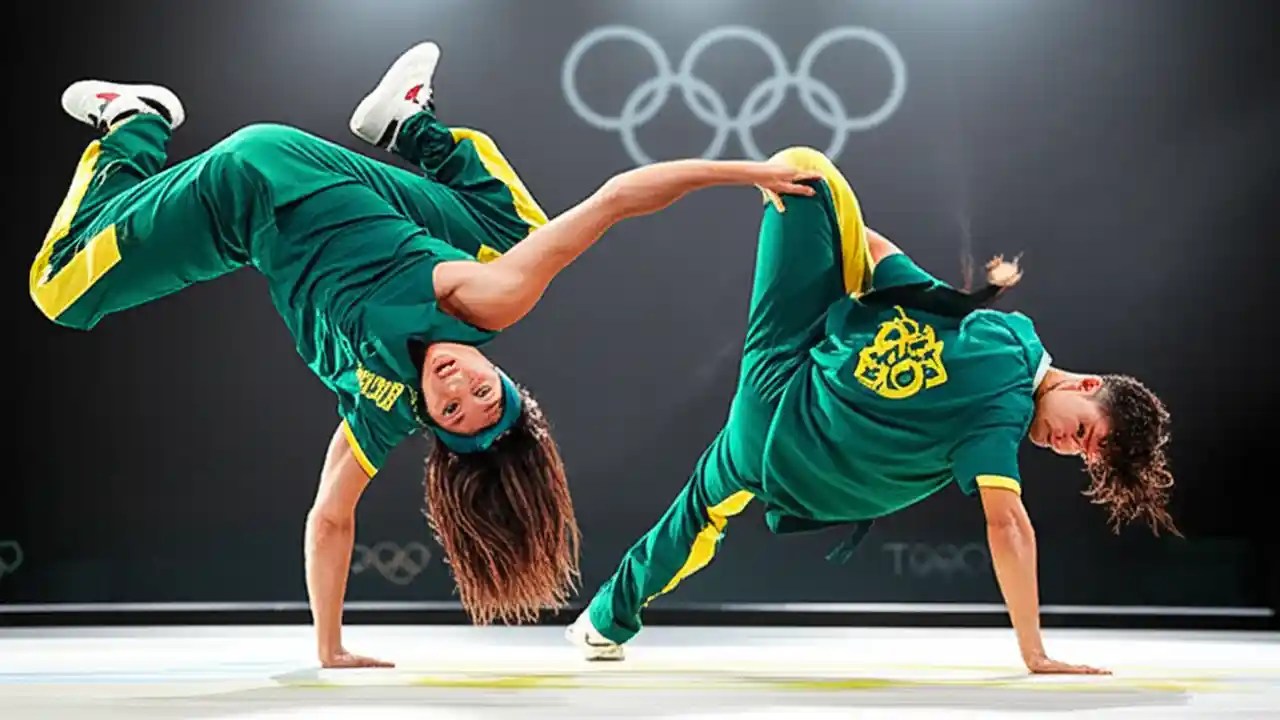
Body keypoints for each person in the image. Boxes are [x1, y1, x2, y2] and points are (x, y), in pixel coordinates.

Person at [30, 41, 823, 669]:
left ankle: (338, 126)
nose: (461, 383)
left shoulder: (378, 415)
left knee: (60, 292)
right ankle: (180, 123)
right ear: (510, 381)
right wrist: (747, 172)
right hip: (287, 181)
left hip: (251, 198)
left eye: (452, 409)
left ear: (430, 424)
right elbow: (616, 199)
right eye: (488, 392)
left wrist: (328, 644)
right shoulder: (485, 302)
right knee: (524, 242)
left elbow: (331, 517)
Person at [565, 147, 1176, 675]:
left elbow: (1008, 522)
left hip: (784, 391)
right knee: (699, 510)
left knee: (805, 173)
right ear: (1088, 384)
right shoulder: (1003, 364)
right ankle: (601, 622)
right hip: (792, 390)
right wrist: (1033, 652)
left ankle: (603, 622)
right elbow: (1008, 528)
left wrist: (843, 247)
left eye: (1086, 456)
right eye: (1088, 432)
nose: (1072, 446)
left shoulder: (1001, 395)